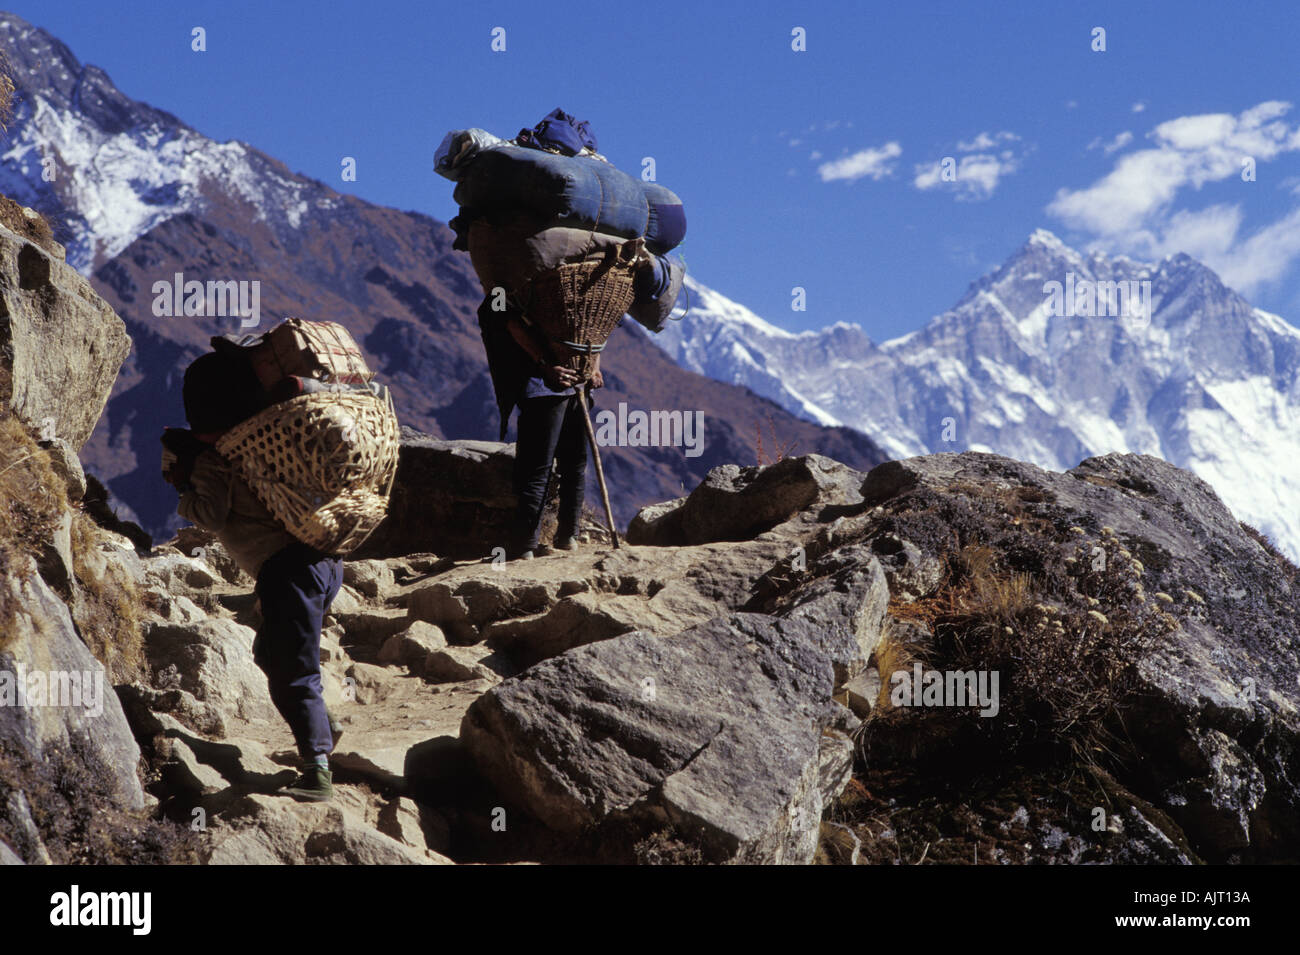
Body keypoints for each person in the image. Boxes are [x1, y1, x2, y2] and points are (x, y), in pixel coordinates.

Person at [164, 352, 343, 802]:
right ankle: (320, 723)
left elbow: (211, 513)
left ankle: (317, 771)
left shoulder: (213, 462)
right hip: (325, 561)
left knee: (293, 672)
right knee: (270, 651)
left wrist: (183, 491)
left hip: (288, 575)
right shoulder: (267, 443)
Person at [478, 298, 600, 560]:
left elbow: (508, 321)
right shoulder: (587, 286)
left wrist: (545, 364)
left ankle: (524, 546)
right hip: (579, 386)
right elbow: (598, 326)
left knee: (537, 469)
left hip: (544, 389)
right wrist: (593, 366)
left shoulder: (517, 285)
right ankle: (568, 537)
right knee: (574, 466)